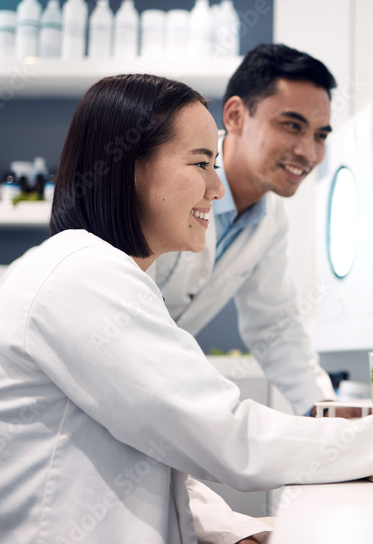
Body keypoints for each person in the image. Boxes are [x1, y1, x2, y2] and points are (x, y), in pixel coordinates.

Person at [0, 74, 373, 544]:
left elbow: (164, 446)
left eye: (215, 165)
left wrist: (236, 532)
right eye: (199, 164)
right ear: (129, 169)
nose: (216, 188)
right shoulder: (82, 276)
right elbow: (232, 439)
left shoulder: (95, 271)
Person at [147, 44, 340, 416]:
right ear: (235, 116)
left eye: (320, 136)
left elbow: (275, 327)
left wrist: (325, 412)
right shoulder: (171, 175)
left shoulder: (271, 218)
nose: (308, 152)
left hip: (150, 383)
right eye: (292, 126)